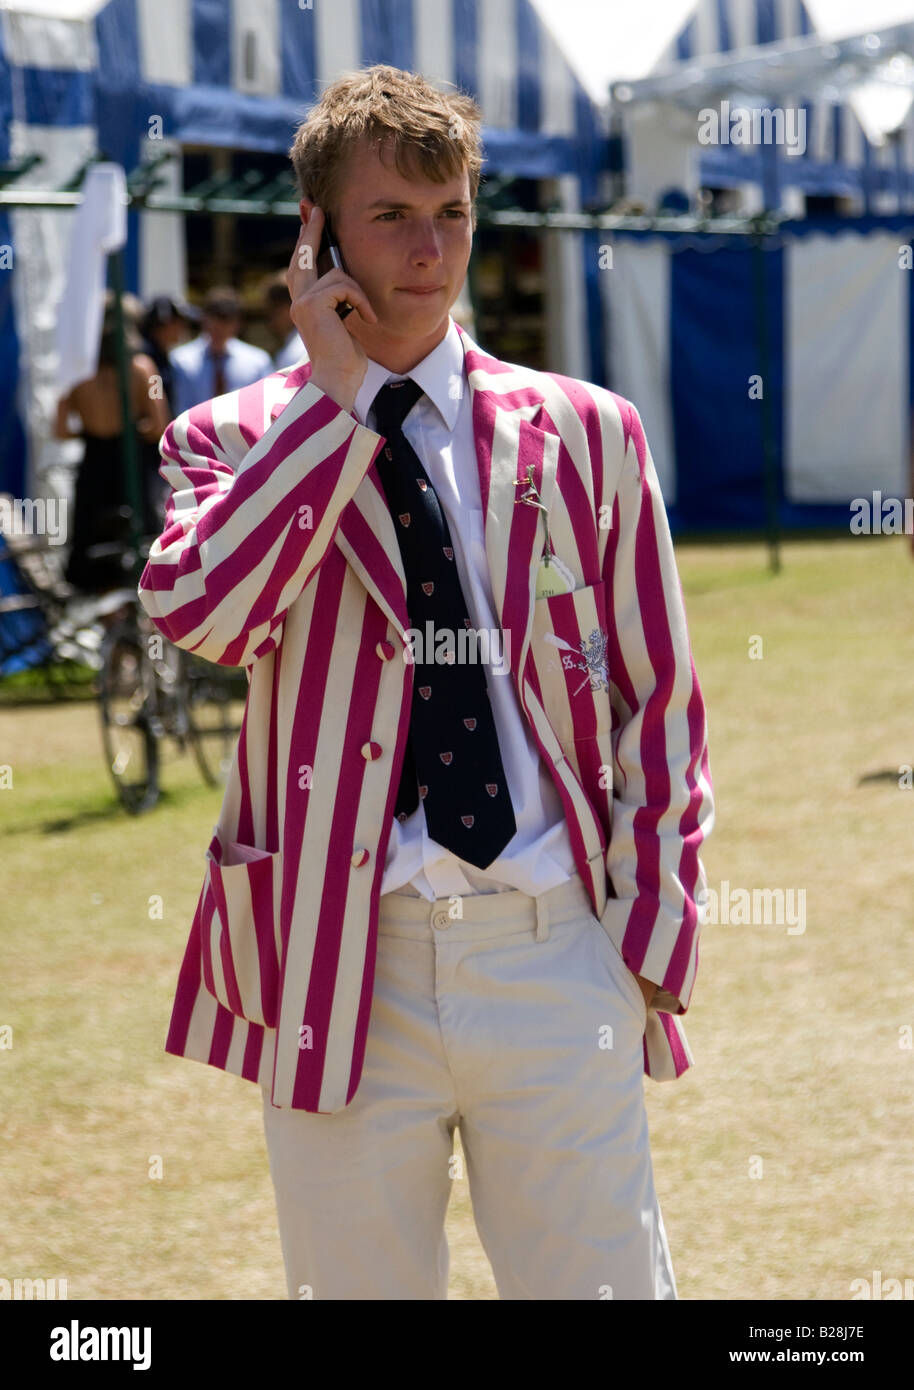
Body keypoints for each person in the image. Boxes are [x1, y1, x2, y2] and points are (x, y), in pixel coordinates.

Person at [137, 63, 713, 1301]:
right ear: (317, 233)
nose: (429, 248)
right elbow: (205, 618)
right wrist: (336, 409)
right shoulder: (227, 438)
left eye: (451, 212)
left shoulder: (587, 430)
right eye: (391, 215)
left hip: (555, 946)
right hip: (336, 954)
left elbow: (658, 698)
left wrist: (649, 936)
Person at [56, 290, 170, 594]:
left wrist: (89, 430)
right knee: (139, 539)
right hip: (130, 464)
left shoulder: (74, 373)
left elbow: (60, 429)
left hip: (93, 463)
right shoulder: (144, 369)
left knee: (91, 542)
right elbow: (159, 425)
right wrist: (134, 427)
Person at [167, 286, 273, 417]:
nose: (220, 328)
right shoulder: (181, 359)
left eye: (226, 321)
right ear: (204, 320)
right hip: (193, 427)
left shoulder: (258, 361)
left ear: (237, 324)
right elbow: (178, 406)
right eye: (216, 320)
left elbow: (264, 407)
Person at [140, 294, 201, 417]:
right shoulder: (149, 358)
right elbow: (155, 398)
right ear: (164, 323)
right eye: (179, 323)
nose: (183, 328)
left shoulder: (162, 356)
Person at [262, 270, 307, 370]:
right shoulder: (299, 346)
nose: (270, 320)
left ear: (286, 309)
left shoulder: (296, 352)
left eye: (272, 310)